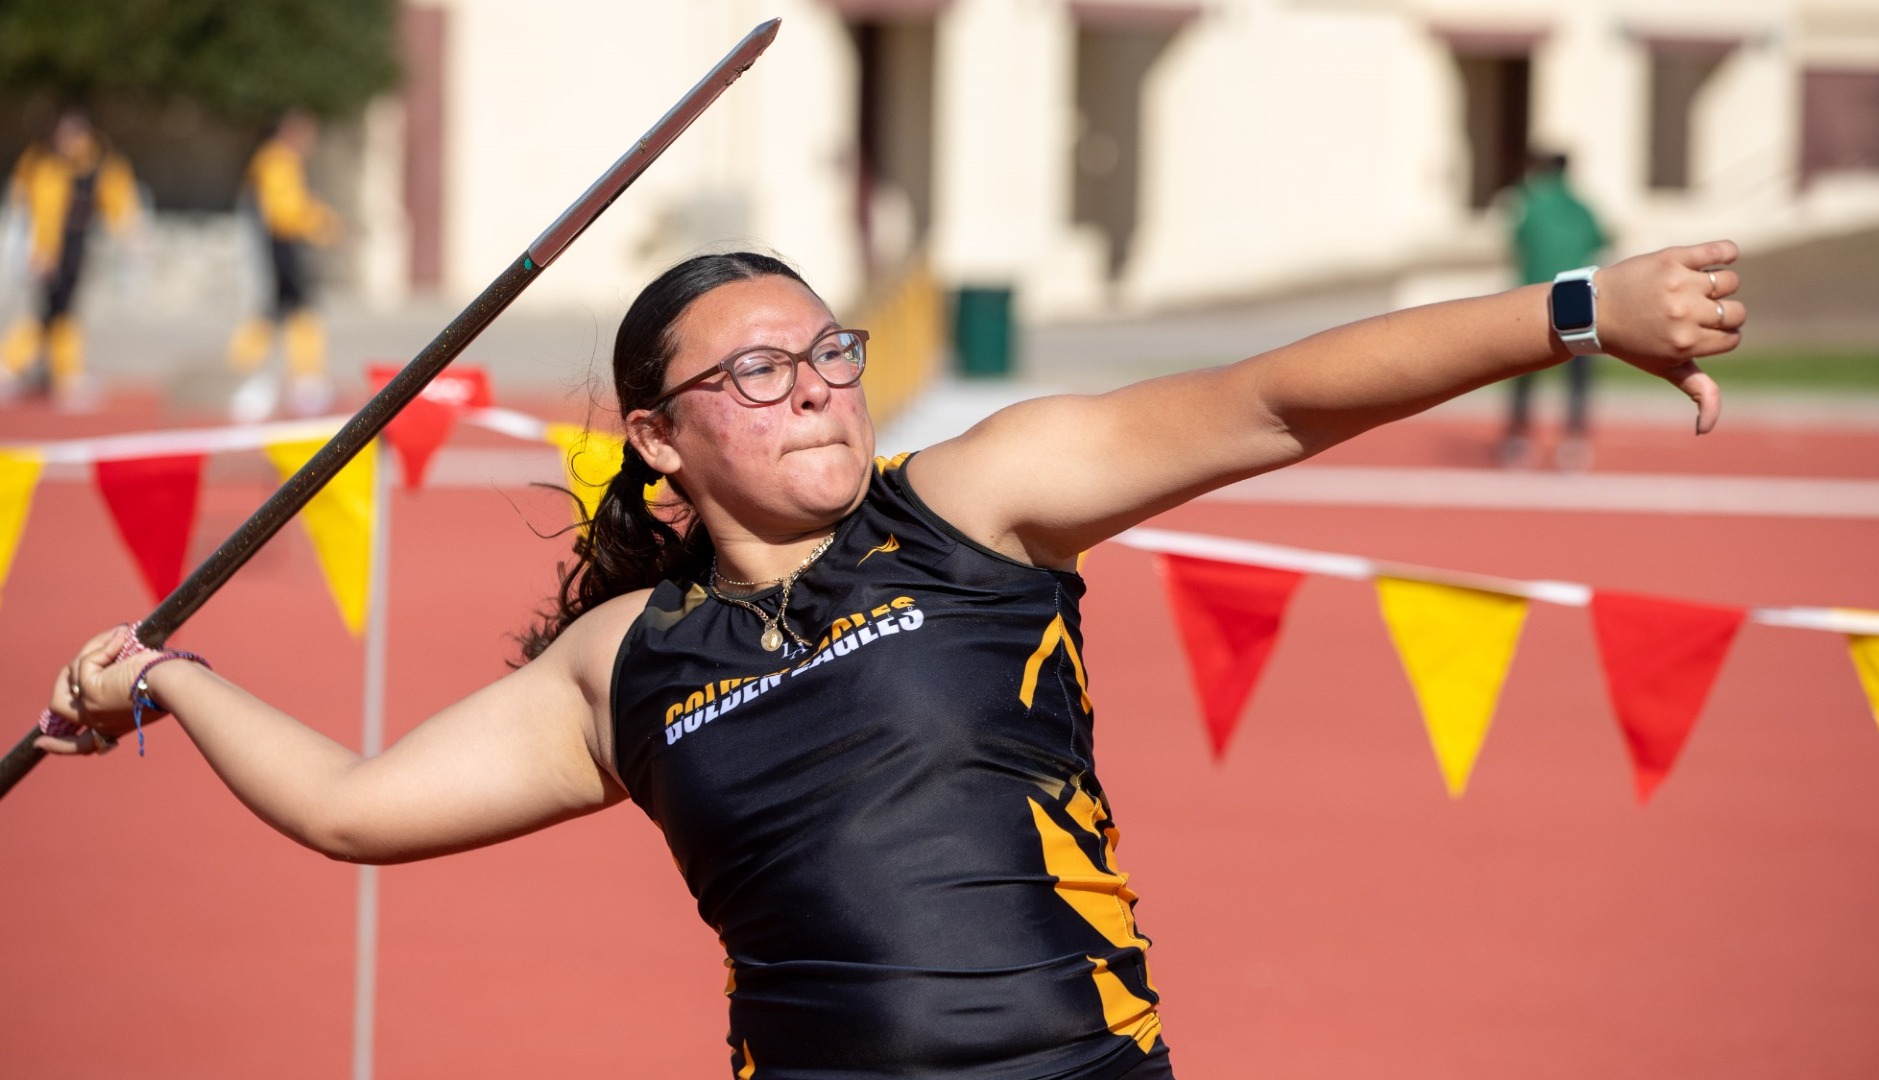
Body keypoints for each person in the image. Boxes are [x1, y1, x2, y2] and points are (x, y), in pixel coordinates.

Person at [44, 241, 1745, 1078]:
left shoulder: (976, 506)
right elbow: (353, 808)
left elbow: (1270, 401)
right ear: (657, 440)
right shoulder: (624, 665)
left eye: (828, 353)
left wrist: (1572, 311)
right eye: (755, 371)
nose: (813, 386)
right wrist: (163, 681)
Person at [1, 106, 141, 412]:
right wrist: (35, 251)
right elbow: (26, 207)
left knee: (62, 309)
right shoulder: (41, 161)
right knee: (52, 309)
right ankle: (32, 368)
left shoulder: (102, 164)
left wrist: (127, 236)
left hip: (76, 245)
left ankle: (53, 371)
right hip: (46, 250)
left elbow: (118, 201)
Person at [226, 108, 341, 422]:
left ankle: (302, 377)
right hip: (276, 249)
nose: (310, 142)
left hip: (283, 248)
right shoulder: (276, 161)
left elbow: (296, 206)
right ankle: (281, 377)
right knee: (284, 309)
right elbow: (285, 213)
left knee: (290, 310)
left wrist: (324, 222)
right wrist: (319, 226)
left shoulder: (281, 161)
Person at [1500, 149, 1609, 471]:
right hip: (1577, 298)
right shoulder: (1582, 207)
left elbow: (1517, 240)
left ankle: (1517, 443)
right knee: (1578, 377)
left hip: (1532, 298)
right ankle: (1574, 445)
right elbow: (1600, 240)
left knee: (1523, 374)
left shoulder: (1530, 203)